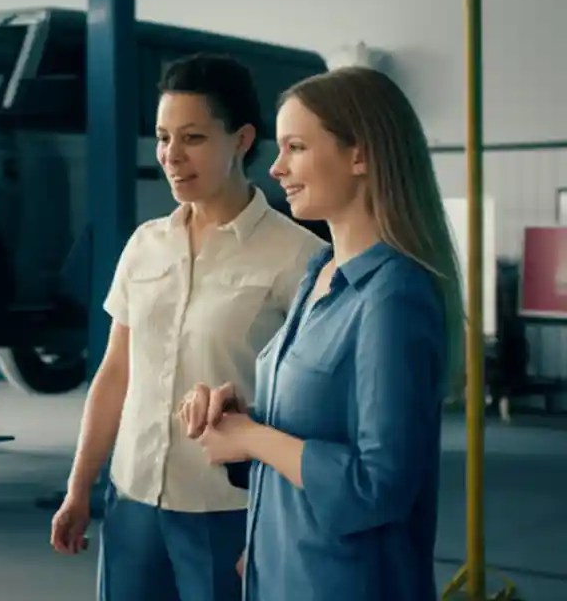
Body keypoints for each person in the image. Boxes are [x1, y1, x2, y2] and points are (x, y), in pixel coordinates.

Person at [179, 66, 463, 601]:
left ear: (361, 156)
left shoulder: (394, 296)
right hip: (283, 570)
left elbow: (378, 485)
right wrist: (241, 417)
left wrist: (252, 439)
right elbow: (318, 428)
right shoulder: (320, 274)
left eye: (296, 147)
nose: (277, 167)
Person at [50, 54, 327, 601]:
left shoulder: (300, 258)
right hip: (133, 502)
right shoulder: (145, 244)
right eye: (162, 137)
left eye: (193, 137)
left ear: (242, 139)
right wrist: (79, 488)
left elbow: (315, 410)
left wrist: (281, 528)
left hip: (228, 511)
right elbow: (115, 372)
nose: (171, 156)